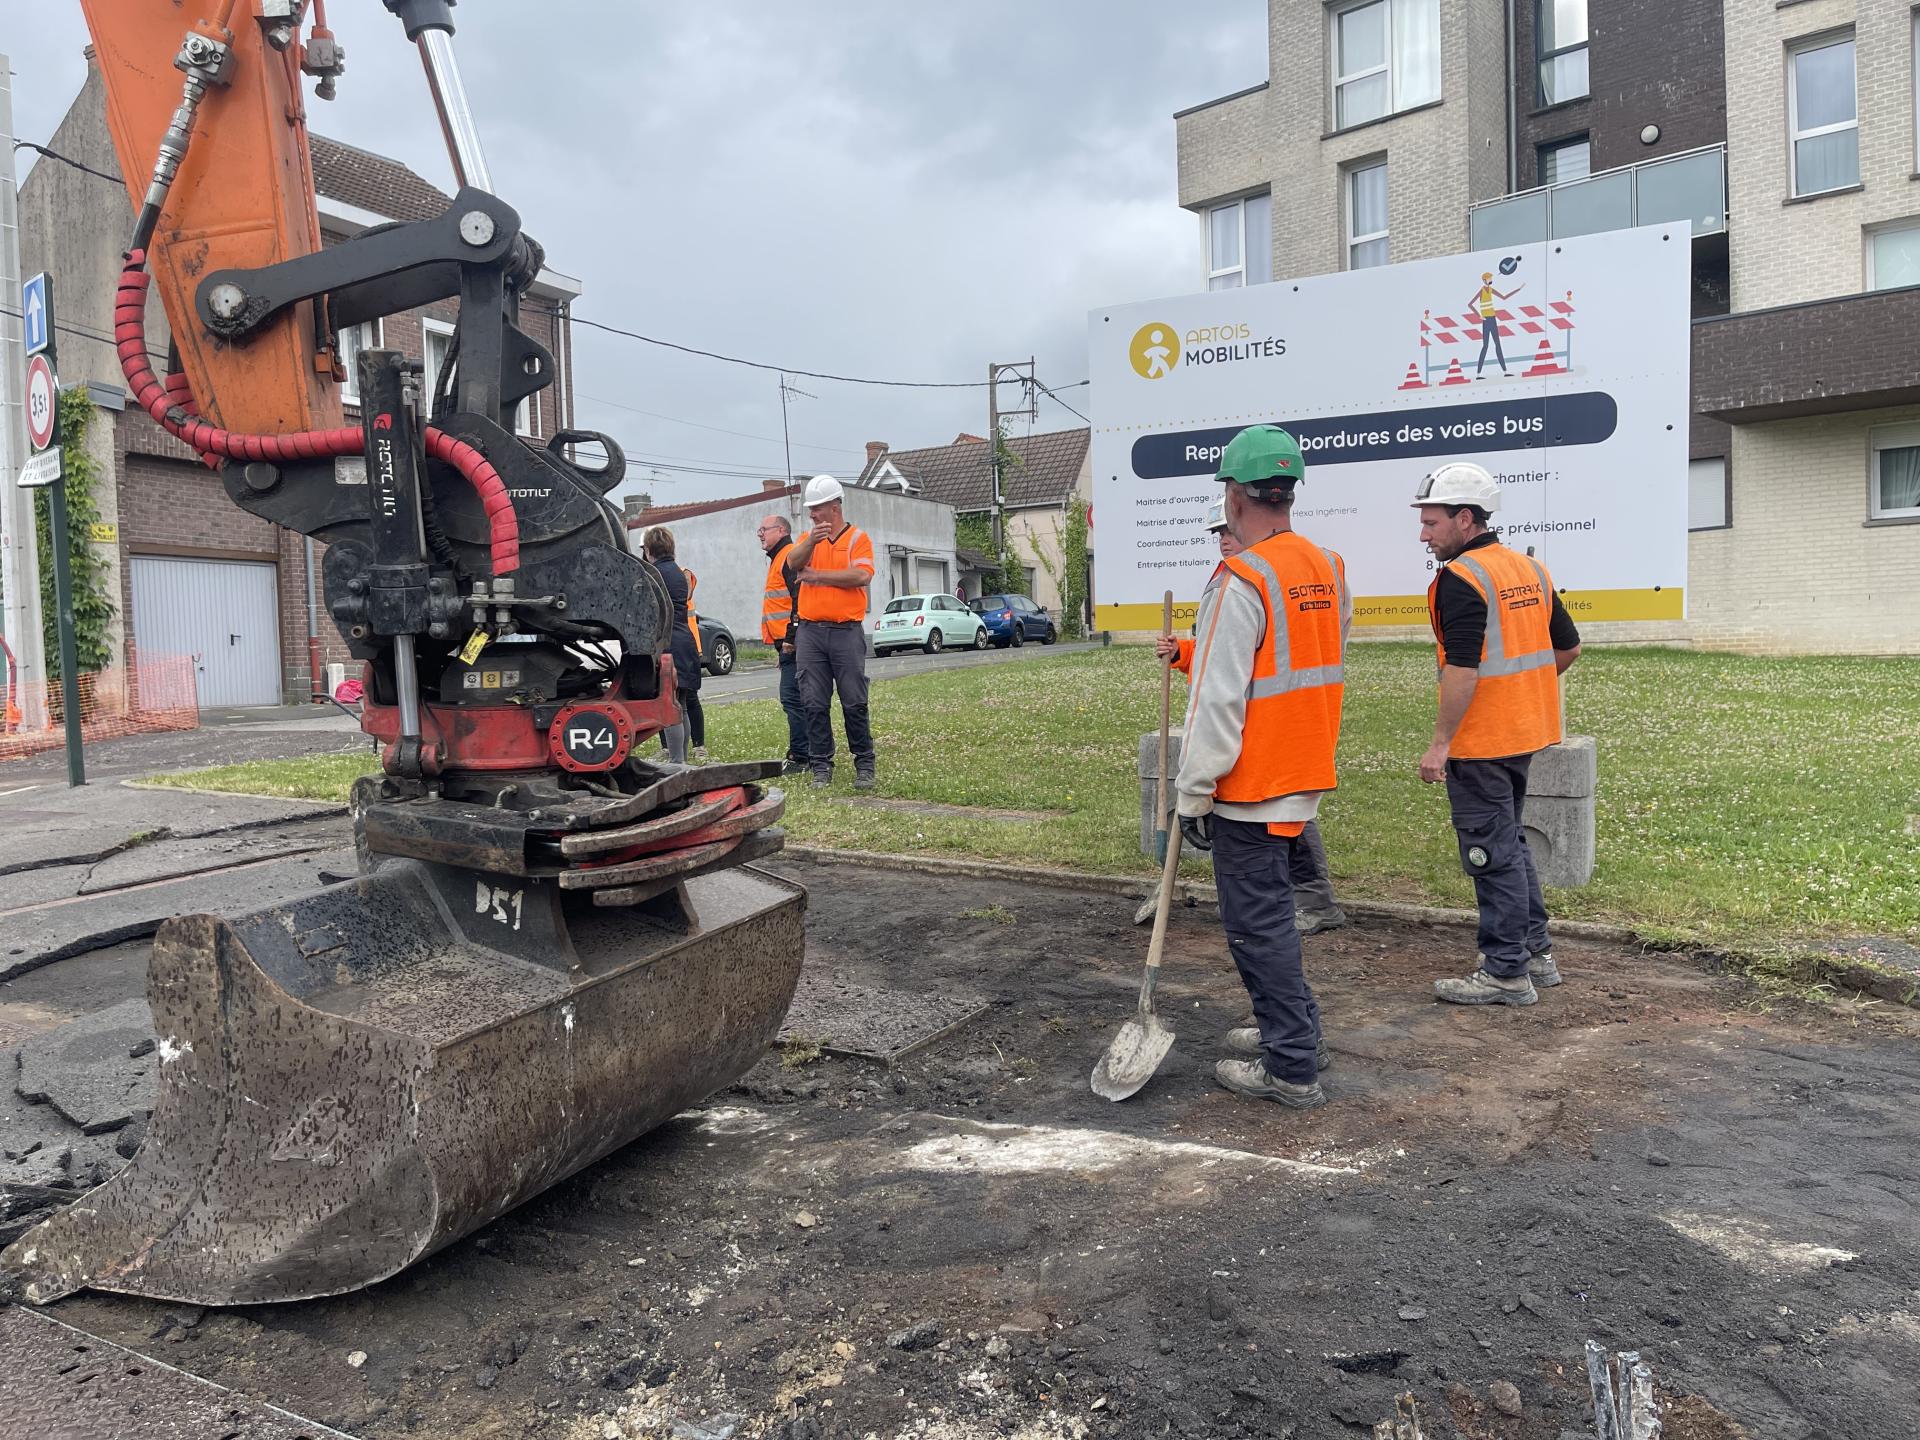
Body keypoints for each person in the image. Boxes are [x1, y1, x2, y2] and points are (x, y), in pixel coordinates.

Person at [1173, 426, 1349, 1109]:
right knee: (1272, 917)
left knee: (1258, 925)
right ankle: (1298, 1034)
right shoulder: (1326, 566)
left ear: (1234, 495)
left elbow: (1218, 698)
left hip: (1251, 784)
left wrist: (1192, 793)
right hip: (1303, 767)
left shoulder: (1239, 578)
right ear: (1287, 493)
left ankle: (1291, 1067)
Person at [1413, 462, 1582, 1006]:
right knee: (1510, 843)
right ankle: (1536, 952)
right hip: (1525, 733)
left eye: (1432, 522)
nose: (1424, 534)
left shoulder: (1459, 580)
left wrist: (1440, 743)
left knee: (1489, 851)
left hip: (1482, 742)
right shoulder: (1529, 570)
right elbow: (1568, 648)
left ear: (1465, 519)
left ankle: (1506, 971)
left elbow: (1462, 668)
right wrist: (1521, 695)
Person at [1157, 499, 1348, 937]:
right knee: (1289, 832)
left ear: (1242, 513)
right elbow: (1245, 662)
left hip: (1264, 748)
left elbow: (1227, 687)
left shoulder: (1244, 581)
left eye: (1227, 528)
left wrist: (1194, 788)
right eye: (1215, 534)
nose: (1223, 538)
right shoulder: (1307, 570)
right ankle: (1310, 903)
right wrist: (1184, 653)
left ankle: (1315, 903)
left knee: (1261, 916)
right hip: (1296, 742)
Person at [787, 475, 876, 789]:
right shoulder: (807, 539)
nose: (812, 513)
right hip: (810, 631)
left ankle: (864, 763)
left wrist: (819, 576)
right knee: (813, 701)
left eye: (817, 507)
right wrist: (811, 541)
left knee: (854, 699)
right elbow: (791, 562)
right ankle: (821, 765)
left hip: (846, 631)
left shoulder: (857, 539)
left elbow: (860, 575)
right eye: (810, 508)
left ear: (835, 506)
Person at [641, 526, 705, 766]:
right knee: (683, 707)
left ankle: (677, 762)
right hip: (684, 640)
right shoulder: (679, 573)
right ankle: (683, 760)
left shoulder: (653, 575)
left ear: (648, 550)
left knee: (670, 708)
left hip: (667, 644)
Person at [756, 511, 809, 775]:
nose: (760, 535)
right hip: (787, 645)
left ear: (780, 530)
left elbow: (799, 599)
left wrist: (791, 639)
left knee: (793, 699)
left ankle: (801, 756)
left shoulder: (788, 556)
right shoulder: (778, 558)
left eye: (764, 529)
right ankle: (808, 753)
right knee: (798, 699)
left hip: (794, 644)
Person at [1469, 271, 1523, 377]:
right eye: (1489, 278)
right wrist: (1479, 315)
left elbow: (1504, 297)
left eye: (1491, 278)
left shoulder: (1490, 290)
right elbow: (1470, 304)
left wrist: (1518, 289)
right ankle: (1478, 373)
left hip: (1493, 319)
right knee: (1485, 346)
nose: (1491, 280)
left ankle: (1505, 371)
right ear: (1485, 280)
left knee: (1497, 344)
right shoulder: (1481, 291)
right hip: (1486, 321)